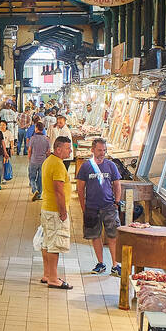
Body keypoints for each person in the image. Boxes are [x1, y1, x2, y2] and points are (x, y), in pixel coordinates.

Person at [76, 137, 123, 275]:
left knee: (113, 235)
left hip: (109, 206)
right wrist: (83, 207)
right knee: (95, 235)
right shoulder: (85, 166)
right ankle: (101, 263)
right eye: (99, 150)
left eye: (104, 150)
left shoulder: (111, 165)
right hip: (92, 207)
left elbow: (117, 184)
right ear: (92, 150)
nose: (102, 153)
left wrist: (116, 202)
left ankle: (115, 264)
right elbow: (80, 188)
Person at [39, 136, 72, 290]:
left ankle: (47, 274)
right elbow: (59, 191)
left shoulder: (49, 161)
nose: (70, 150)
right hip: (54, 211)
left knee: (46, 242)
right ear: (58, 149)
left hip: (47, 208)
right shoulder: (58, 165)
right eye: (67, 148)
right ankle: (53, 278)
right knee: (54, 245)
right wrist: (63, 212)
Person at [27, 121, 52, 202]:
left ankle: (34, 190)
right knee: (41, 178)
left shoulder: (32, 138)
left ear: (36, 128)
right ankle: (40, 194)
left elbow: (30, 150)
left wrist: (29, 159)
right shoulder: (47, 139)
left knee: (32, 177)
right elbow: (48, 152)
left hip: (33, 161)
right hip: (43, 162)